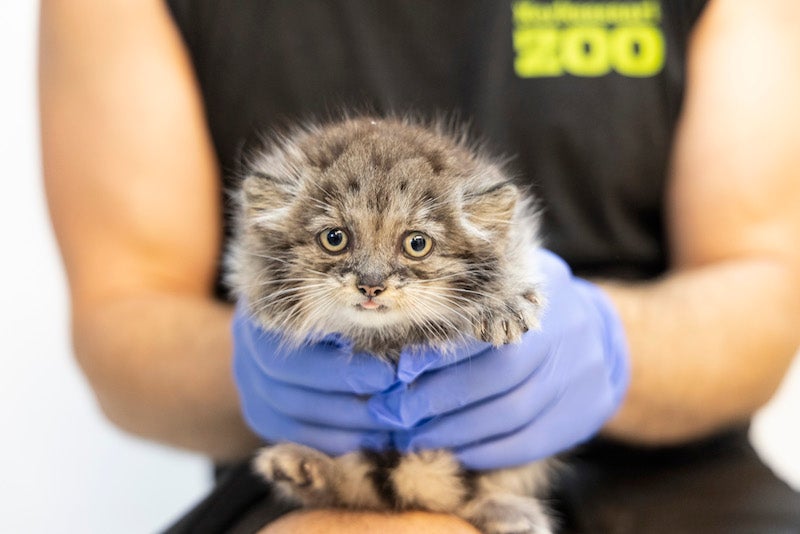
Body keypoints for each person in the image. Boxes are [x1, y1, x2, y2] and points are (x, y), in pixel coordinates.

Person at [39, 0, 800, 532]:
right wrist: (254, 371)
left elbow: (768, 286)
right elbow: (122, 307)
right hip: (318, 470)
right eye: (338, 244)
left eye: (406, 249)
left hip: (684, 475)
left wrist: (609, 344)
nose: (371, 280)